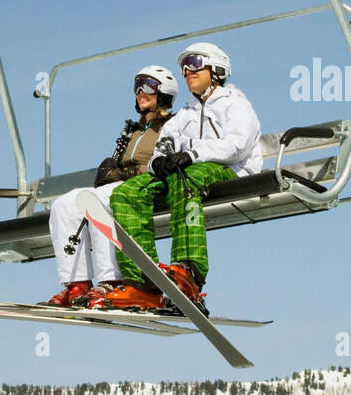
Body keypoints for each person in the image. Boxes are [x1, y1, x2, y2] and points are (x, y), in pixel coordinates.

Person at [85, 41, 261, 313]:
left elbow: (237, 144)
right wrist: (159, 163)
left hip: (231, 169)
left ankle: (188, 271)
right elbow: (162, 147)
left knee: (185, 178)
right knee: (127, 193)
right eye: (184, 67)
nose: (187, 71)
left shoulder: (235, 104)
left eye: (194, 64)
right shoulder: (186, 114)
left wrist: (192, 154)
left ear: (216, 69)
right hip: (187, 169)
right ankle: (144, 282)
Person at [43, 65, 178, 306]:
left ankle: (111, 281)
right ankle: (77, 284)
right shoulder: (134, 130)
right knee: (64, 204)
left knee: (96, 204)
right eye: (137, 87)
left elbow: (166, 161)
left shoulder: (174, 125)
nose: (140, 92)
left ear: (164, 94)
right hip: (122, 186)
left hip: (149, 186)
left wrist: (130, 172)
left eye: (148, 87)